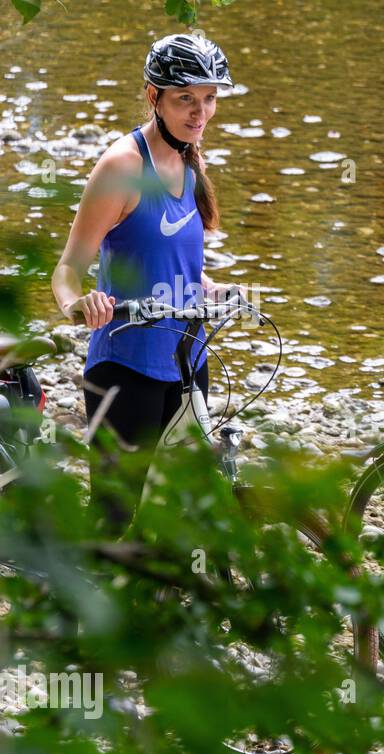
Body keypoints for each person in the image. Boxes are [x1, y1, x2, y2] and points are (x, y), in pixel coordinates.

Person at [50, 34, 240, 532]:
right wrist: (79, 303)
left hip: (187, 358)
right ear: (153, 96)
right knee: (113, 516)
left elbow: (174, 259)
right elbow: (67, 269)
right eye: (185, 99)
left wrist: (207, 286)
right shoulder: (123, 167)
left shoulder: (191, 160)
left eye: (209, 99)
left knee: (181, 504)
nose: (200, 112)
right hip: (126, 365)